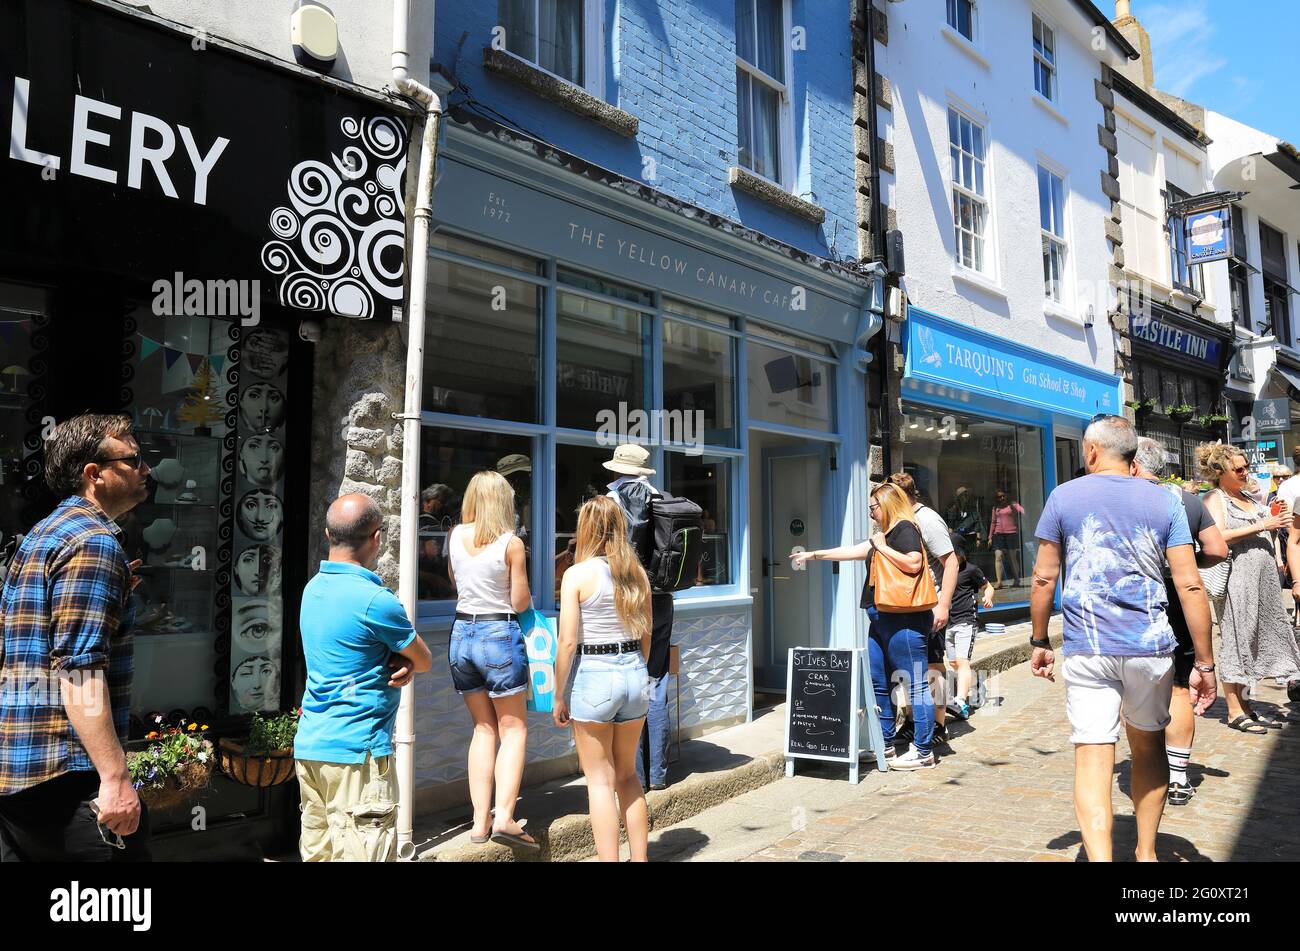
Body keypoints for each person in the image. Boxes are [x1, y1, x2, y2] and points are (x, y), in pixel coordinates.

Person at [1029, 415, 1216, 862]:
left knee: (1093, 755)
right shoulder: (1166, 501)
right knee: (1148, 746)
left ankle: (1099, 859)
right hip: (1149, 646)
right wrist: (1205, 664)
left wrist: (1039, 639)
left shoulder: (1062, 496)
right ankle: (1147, 853)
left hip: (1088, 646)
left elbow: (1042, 577)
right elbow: (1190, 585)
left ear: (1092, 452)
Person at [0, 414, 152, 861]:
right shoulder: (93, 542)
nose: (146, 469)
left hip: (21, 768)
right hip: (67, 776)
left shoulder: (44, 534)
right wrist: (116, 779)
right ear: (94, 474)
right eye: (135, 458)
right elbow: (79, 670)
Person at [294, 494, 432, 862]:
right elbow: (425, 658)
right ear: (377, 538)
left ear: (327, 534)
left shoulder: (312, 590)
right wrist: (407, 661)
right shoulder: (375, 600)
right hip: (356, 752)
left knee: (318, 855)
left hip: (311, 746)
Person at [792, 482, 937, 769]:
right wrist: (813, 555)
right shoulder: (884, 535)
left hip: (905, 618)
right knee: (878, 682)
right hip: (880, 617)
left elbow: (914, 563)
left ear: (886, 504)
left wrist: (883, 547)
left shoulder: (905, 529)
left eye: (873, 507)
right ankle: (886, 746)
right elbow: (853, 551)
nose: (871, 514)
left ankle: (923, 751)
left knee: (916, 684)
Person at [552, 496, 653, 862]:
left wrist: (558, 693)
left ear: (585, 530)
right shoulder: (636, 572)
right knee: (628, 775)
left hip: (594, 674)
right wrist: (637, 670)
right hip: (635, 673)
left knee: (599, 780)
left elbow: (566, 642)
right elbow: (647, 633)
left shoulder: (577, 574)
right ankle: (639, 859)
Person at [1133, 438, 1228, 805]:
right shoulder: (1186, 501)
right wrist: (1185, 563)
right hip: (1179, 600)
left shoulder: (1128, 500)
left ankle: (1147, 768)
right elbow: (1218, 549)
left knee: (1140, 687)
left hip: (1139, 602)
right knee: (1177, 689)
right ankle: (1178, 777)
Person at [446, 471, 536, 849]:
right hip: (499, 634)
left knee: (483, 729)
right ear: (503, 503)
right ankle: (505, 816)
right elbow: (519, 602)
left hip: (461, 635)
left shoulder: (454, 536)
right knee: (513, 730)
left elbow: (456, 582)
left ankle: (479, 823)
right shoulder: (511, 543)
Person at [1201, 443, 1300, 730]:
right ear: (1220, 471)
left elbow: (1270, 527)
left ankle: (1247, 706)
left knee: (1253, 641)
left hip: (1263, 581)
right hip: (1237, 581)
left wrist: (1277, 544)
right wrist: (1262, 526)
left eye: (1246, 467)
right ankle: (1234, 710)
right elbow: (1218, 535)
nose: (1245, 472)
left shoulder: (1247, 496)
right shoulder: (1215, 498)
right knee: (1236, 640)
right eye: (1238, 468)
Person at [604, 443, 674, 791]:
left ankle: (632, 776)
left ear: (618, 469)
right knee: (655, 682)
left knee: (630, 683)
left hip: (628, 598)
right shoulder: (663, 498)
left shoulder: (612, 501)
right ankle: (658, 774)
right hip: (662, 601)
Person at [887, 473, 958, 745]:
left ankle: (939, 724)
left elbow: (951, 563)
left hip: (930, 607)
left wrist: (944, 604)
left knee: (933, 668)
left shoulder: (928, 520)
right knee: (905, 668)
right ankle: (911, 721)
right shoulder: (898, 521)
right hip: (905, 607)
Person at [945, 533, 994, 721]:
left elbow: (989, 587)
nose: (950, 557)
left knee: (962, 661)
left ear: (961, 554)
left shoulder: (971, 570)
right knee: (954, 663)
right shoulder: (944, 571)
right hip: (949, 622)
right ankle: (976, 684)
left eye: (954, 553)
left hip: (967, 621)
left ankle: (961, 703)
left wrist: (988, 597)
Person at [988, 490, 1025, 589]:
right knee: (998, 556)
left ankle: (1017, 579)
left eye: (1003, 496)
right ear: (996, 499)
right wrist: (990, 537)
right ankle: (999, 582)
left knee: (1012, 557)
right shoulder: (995, 508)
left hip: (1011, 534)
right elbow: (993, 522)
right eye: (999, 497)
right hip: (998, 534)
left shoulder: (1012, 505)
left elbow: (1023, 511)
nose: (1002, 498)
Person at [944, 485, 984, 553]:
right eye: (964, 495)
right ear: (959, 498)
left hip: (970, 538)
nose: (966, 497)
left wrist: (978, 539)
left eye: (967, 495)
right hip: (958, 537)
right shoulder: (953, 510)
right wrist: (949, 541)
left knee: (970, 558)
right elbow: (950, 526)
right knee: (961, 558)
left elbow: (977, 524)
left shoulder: (972, 509)